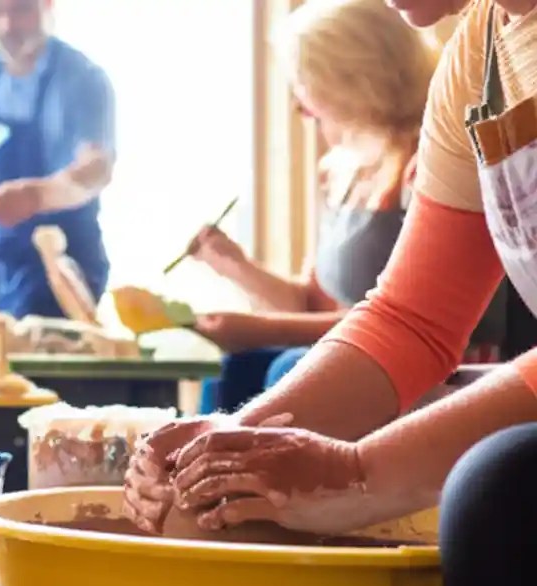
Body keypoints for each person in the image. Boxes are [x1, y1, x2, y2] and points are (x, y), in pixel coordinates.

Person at [123, 0, 537, 586]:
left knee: (499, 496)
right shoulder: (479, 54)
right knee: (214, 506)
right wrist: (238, 442)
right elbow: (410, 319)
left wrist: (356, 472)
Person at [186, 0, 504, 413]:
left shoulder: (429, 163)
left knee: (288, 366)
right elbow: (313, 304)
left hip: (445, 365)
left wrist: (256, 328)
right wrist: (232, 265)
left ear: (351, 82)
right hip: (371, 343)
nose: (301, 109)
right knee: (234, 369)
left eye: (306, 89)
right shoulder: (337, 172)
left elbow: (415, 321)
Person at [0, 0, 115, 320]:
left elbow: (97, 169)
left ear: (48, 5)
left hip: (65, 255)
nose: (7, 25)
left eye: (20, 9)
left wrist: (37, 195)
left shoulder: (83, 78)